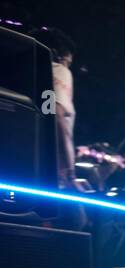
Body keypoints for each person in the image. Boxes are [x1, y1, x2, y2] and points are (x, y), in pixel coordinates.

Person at [33, 27, 76, 188]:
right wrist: (70, 174)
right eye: (68, 62)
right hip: (54, 174)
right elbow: (56, 114)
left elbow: (47, 110)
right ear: (57, 54)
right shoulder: (58, 70)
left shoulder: (31, 74)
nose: (68, 68)